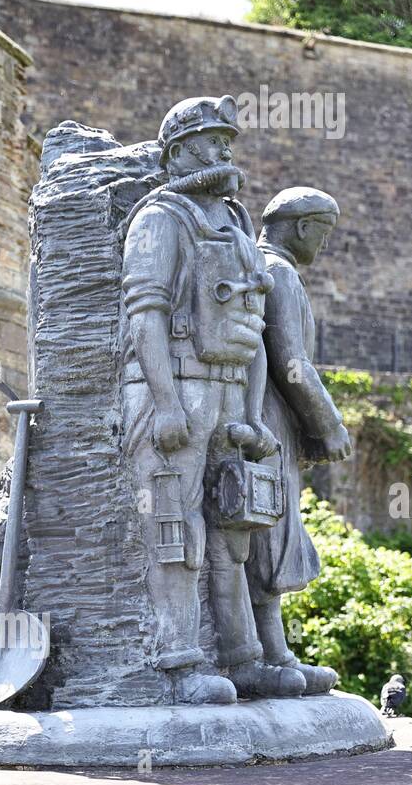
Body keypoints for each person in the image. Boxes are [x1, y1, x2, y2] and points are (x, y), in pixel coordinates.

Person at [122, 94, 305, 704]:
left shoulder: (235, 223)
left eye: (226, 139)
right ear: (177, 154)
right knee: (174, 525)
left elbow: (253, 329)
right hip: (174, 388)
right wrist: (166, 402)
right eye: (208, 140)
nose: (224, 150)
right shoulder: (162, 219)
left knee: (234, 529)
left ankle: (242, 658)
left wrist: (252, 414)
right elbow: (144, 314)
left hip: (228, 394)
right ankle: (178, 659)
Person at [248, 187, 352, 693]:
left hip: (260, 416)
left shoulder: (256, 263)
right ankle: (272, 656)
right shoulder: (281, 273)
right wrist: (329, 426)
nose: (325, 247)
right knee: (270, 531)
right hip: (270, 418)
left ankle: (272, 653)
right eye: (324, 234)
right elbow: (292, 363)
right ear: (304, 227)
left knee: (260, 529)